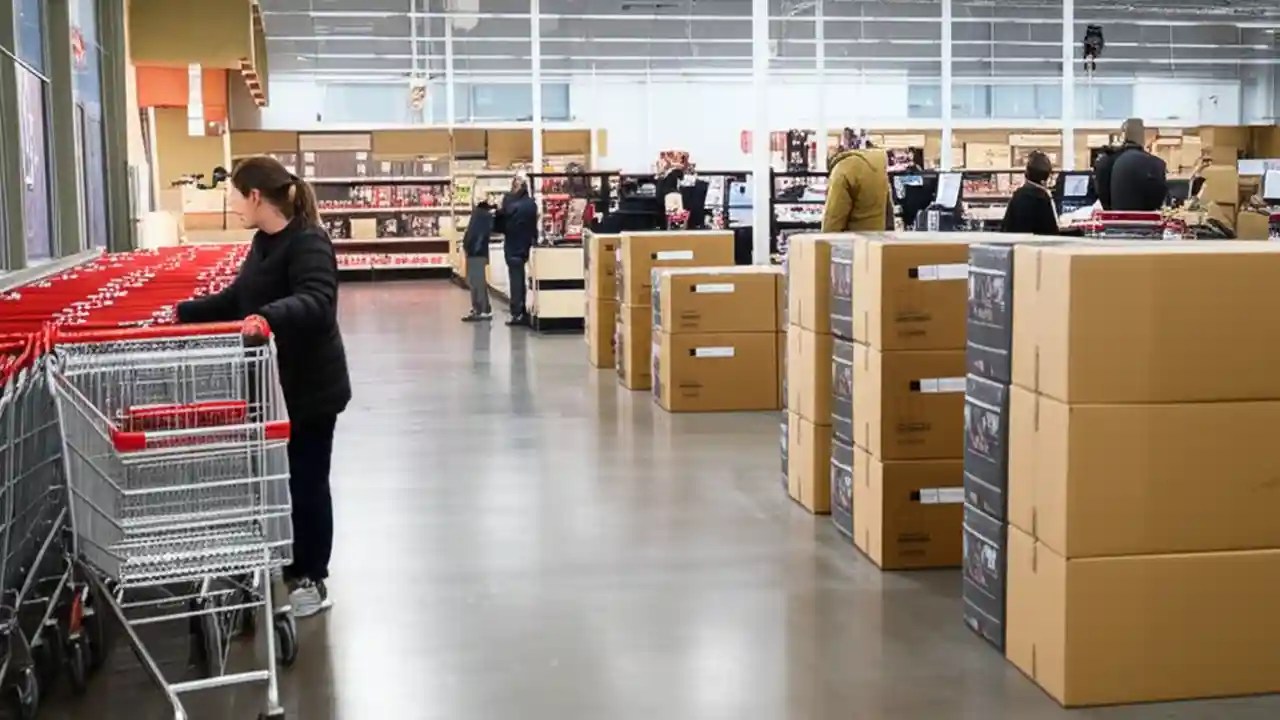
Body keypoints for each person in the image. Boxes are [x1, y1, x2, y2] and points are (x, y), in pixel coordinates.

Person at [176, 155, 350, 619]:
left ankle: (311, 577)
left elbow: (317, 302)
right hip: (272, 387)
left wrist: (266, 319)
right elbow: (238, 298)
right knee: (280, 480)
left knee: (307, 481)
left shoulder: (310, 242)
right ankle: (285, 560)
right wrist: (182, 314)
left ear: (255, 196)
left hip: (311, 389)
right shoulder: (262, 243)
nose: (231, 204)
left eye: (234, 194)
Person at [1093, 118, 1167, 211]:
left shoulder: (1106, 161)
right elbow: (1157, 203)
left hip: (1113, 221)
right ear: (1143, 136)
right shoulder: (1155, 164)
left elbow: (1102, 197)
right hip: (1144, 222)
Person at [822, 143, 895, 233]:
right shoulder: (877, 166)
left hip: (853, 242)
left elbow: (833, 220)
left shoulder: (841, 171)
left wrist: (824, 243)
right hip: (878, 239)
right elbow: (889, 211)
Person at [495, 175, 538, 327]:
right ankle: (522, 311)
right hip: (525, 245)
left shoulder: (510, 204)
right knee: (522, 279)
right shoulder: (531, 204)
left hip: (513, 245)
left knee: (515, 279)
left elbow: (499, 224)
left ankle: (517, 313)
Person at [1001, 151, 1061, 235]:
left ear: (1027, 173)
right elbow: (1052, 232)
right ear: (1047, 176)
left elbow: (1005, 228)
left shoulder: (1018, 195)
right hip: (1038, 246)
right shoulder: (1043, 198)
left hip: (1017, 244)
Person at [461, 199, 495, 322]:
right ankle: (479, 309)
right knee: (476, 282)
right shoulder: (484, 217)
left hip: (476, 254)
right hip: (477, 253)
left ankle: (482, 310)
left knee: (477, 283)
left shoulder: (479, 216)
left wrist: (470, 248)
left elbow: (474, 236)